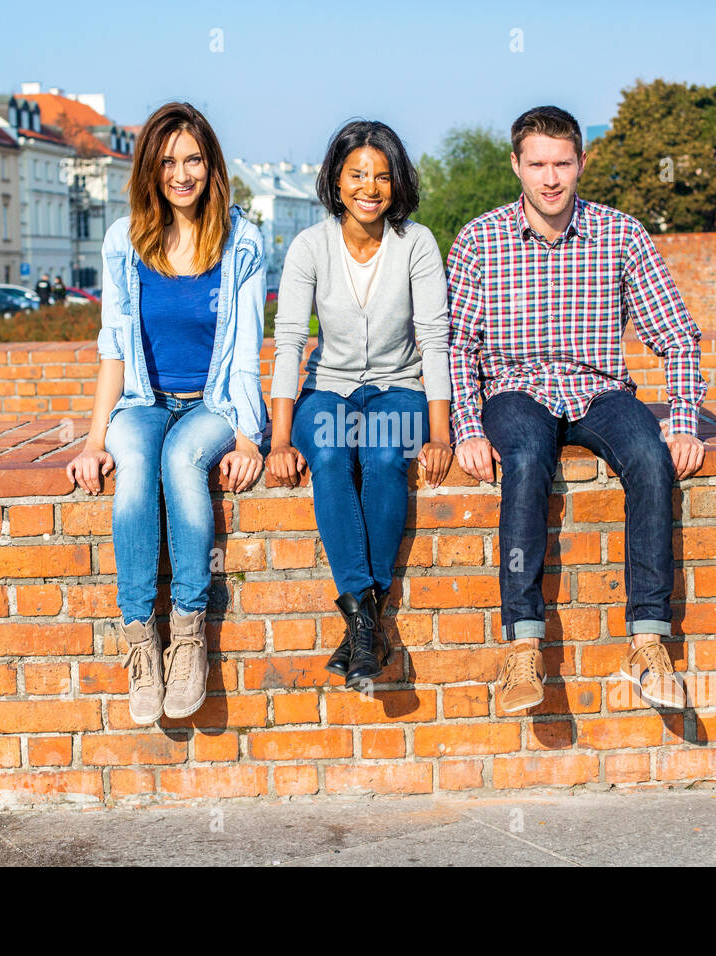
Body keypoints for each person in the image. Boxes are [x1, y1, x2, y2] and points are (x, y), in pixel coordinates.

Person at [447, 105, 708, 715]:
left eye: (562, 163)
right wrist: (465, 426)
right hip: (515, 389)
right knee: (528, 455)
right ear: (515, 165)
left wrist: (686, 422)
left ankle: (648, 641)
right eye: (537, 164)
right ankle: (523, 647)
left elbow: (676, 332)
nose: (550, 178)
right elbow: (458, 343)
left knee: (649, 456)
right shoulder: (478, 240)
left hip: (599, 389)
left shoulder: (621, 235)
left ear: (581, 163)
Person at [66, 102, 266, 724]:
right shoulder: (125, 242)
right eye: (169, 161)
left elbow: (247, 346)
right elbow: (112, 347)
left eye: (193, 160)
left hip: (213, 402)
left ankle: (187, 634)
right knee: (133, 462)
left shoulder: (242, 242)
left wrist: (248, 434)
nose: (182, 174)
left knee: (182, 459)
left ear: (211, 165)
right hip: (143, 400)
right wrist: (94, 438)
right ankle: (140, 641)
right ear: (150, 169)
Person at [267, 120, 453, 691]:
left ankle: (358, 625)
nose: (369, 187)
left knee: (380, 455)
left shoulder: (416, 243)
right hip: (328, 387)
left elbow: (435, 335)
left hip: (399, 385)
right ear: (336, 180)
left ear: (397, 181)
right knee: (326, 455)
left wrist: (441, 432)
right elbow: (291, 340)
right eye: (356, 175)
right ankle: (369, 620)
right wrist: (278, 442)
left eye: (381, 175)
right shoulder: (309, 246)